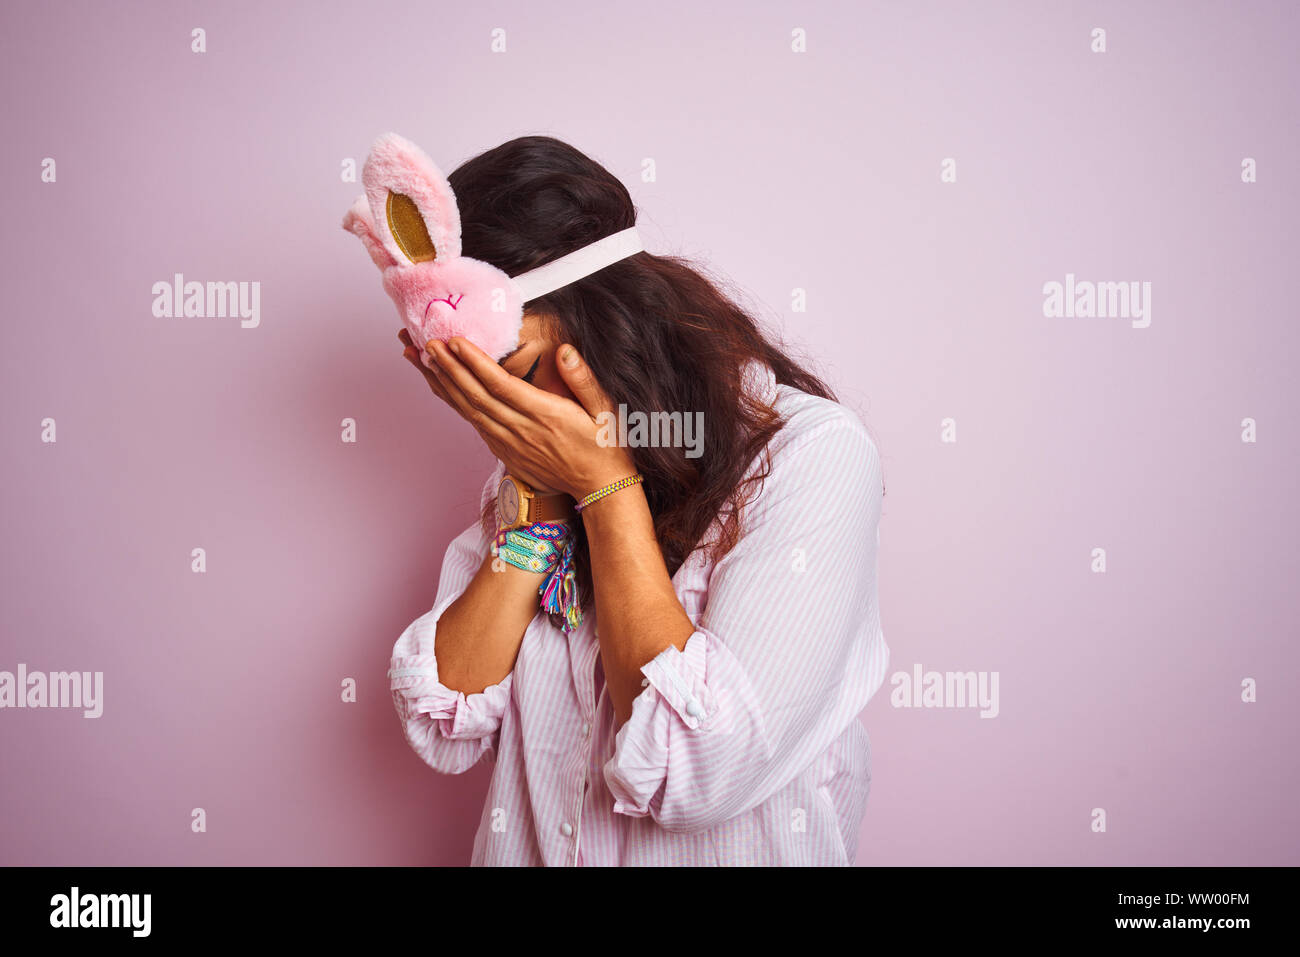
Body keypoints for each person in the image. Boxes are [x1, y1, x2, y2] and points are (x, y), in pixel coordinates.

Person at [386, 135, 889, 865]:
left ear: (610, 323)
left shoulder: (811, 457)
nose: (506, 413)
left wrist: (605, 489)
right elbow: (446, 719)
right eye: (477, 393)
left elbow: (699, 770)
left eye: (516, 373)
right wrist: (544, 499)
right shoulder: (532, 474)